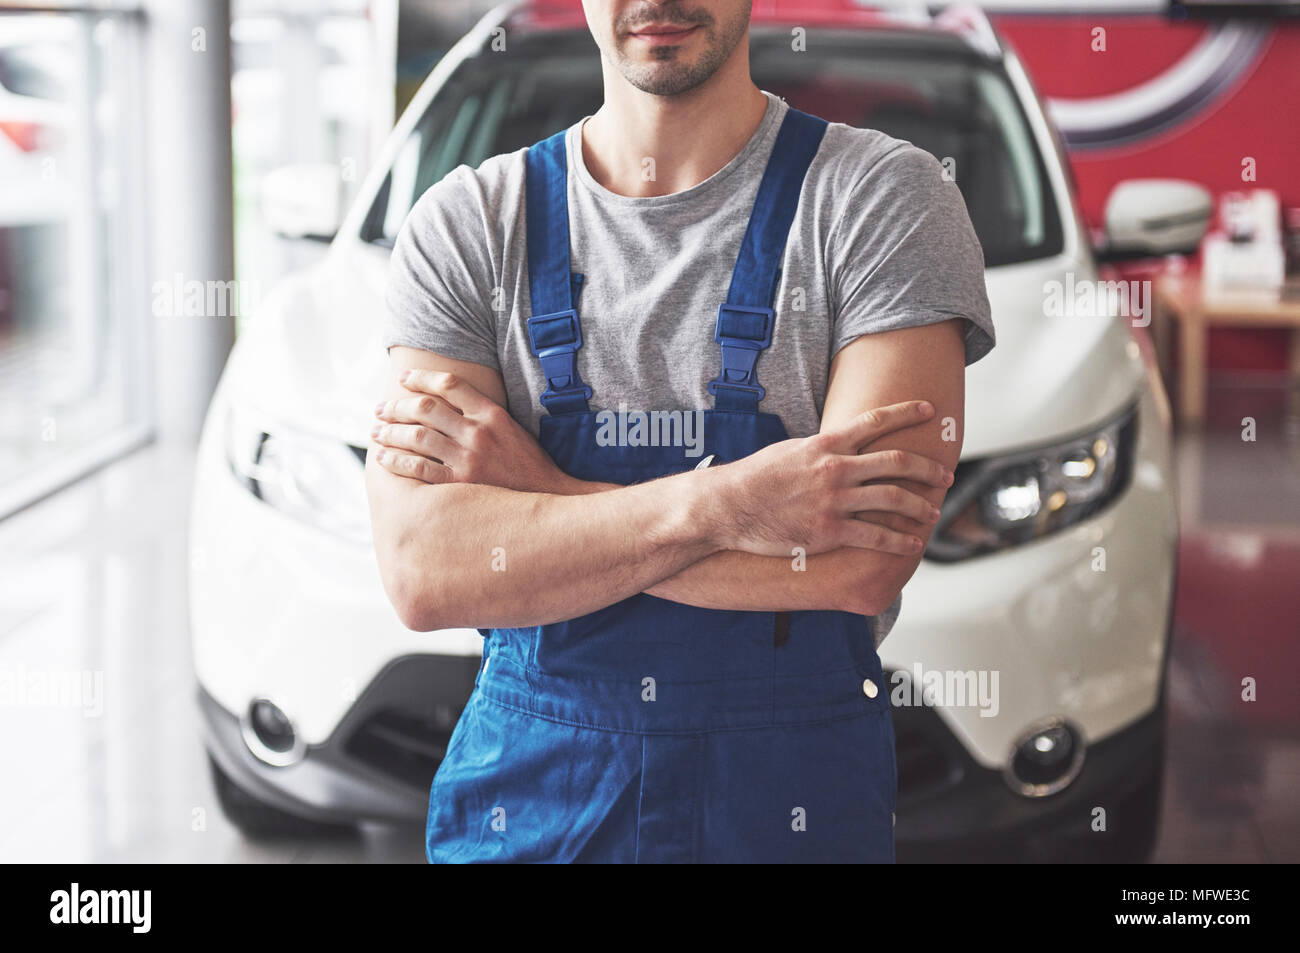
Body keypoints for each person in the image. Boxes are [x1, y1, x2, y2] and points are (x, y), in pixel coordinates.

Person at [367, 0, 994, 863]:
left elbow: (861, 562)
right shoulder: (470, 228)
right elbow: (427, 572)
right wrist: (733, 504)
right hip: (534, 810)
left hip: (788, 814)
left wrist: (540, 498)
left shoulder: (881, 201)